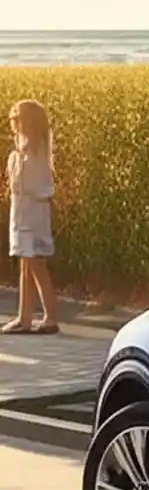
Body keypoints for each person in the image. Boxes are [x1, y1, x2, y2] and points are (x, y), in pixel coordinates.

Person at [2, 99, 58, 335]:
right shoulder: (26, 150)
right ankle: (24, 316)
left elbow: (29, 185)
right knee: (27, 265)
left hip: (31, 216)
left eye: (16, 119)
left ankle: (49, 317)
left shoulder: (33, 152)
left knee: (35, 265)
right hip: (26, 214)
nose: (13, 124)